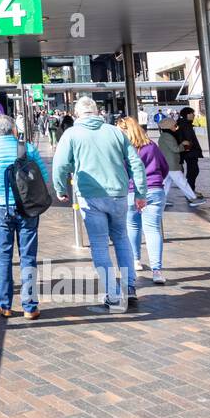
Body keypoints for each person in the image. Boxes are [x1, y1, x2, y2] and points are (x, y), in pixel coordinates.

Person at [52, 97, 146, 313]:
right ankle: (130, 288)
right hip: (119, 194)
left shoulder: (71, 134)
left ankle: (113, 295)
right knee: (122, 239)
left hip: (90, 195)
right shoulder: (114, 132)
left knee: (99, 245)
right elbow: (136, 163)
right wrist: (140, 192)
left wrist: (60, 188)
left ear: (77, 114)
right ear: (96, 112)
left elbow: (60, 164)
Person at [0, 114, 50, 319]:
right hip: (27, 208)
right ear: (13, 130)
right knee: (28, 256)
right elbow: (44, 177)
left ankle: (4, 305)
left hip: (0, 209)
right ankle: (30, 306)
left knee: (3, 256)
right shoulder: (28, 149)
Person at [119, 116, 170, 284]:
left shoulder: (123, 149)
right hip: (154, 189)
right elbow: (164, 167)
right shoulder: (151, 146)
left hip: (132, 191)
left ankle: (135, 260)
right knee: (153, 230)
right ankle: (157, 270)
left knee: (132, 226)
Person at [157, 119, 205, 207]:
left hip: (168, 164)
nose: (176, 127)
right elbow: (176, 149)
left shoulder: (165, 135)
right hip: (171, 164)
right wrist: (183, 144)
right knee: (182, 182)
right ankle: (192, 199)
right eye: (174, 126)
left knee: (166, 183)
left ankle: (161, 200)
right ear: (169, 127)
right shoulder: (167, 136)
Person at [174, 106, 202, 195]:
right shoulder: (185, 125)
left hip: (189, 151)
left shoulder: (185, 124)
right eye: (192, 113)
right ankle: (190, 191)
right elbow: (187, 139)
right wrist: (188, 148)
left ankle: (190, 190)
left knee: (193, 171)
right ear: (188, 114)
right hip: (190, 152)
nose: (193, 115)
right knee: (193, 171)